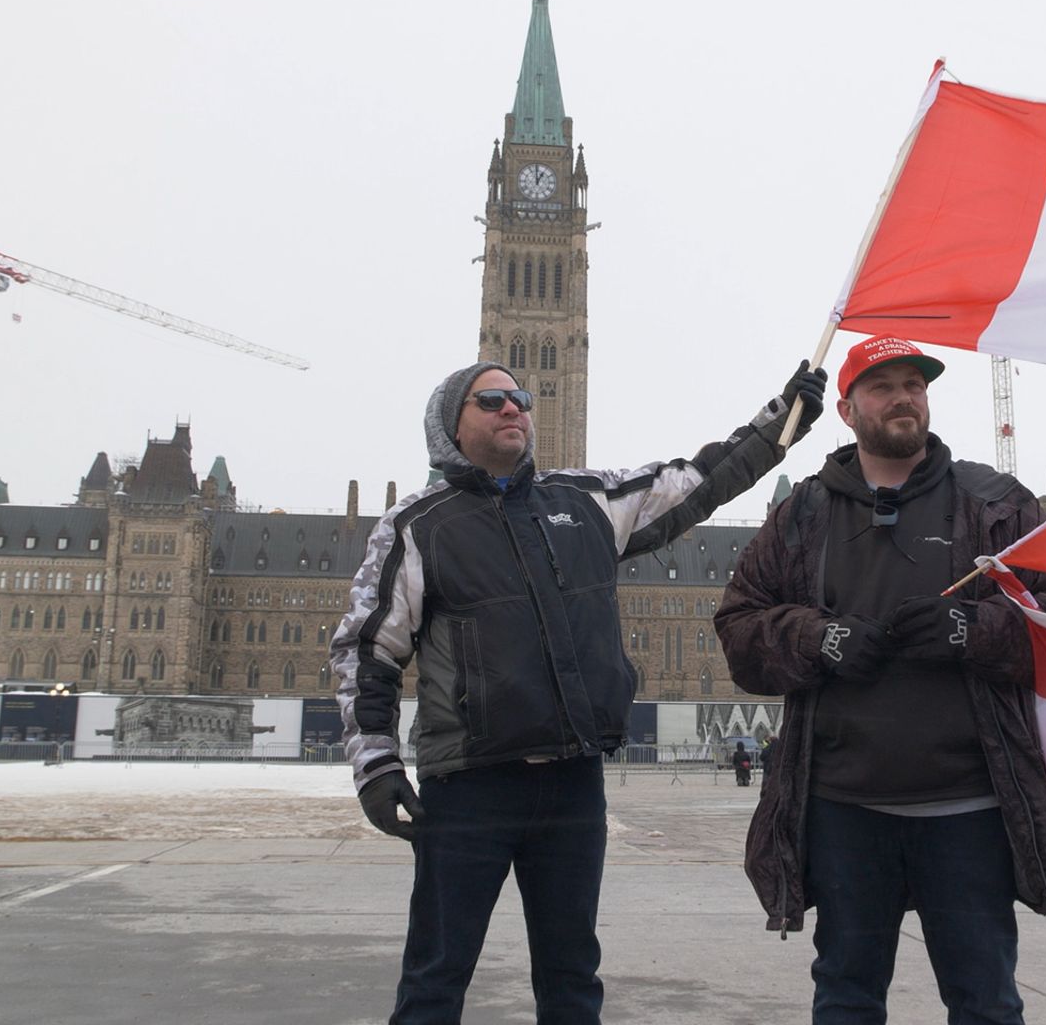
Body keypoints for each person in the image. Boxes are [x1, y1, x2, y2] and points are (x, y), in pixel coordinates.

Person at [331, 357, 827, 1025]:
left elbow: (696, 480)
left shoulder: (584, 500)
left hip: (573, 783)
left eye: (520, 397)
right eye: (491, 401)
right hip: (471, 786)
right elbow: (368, 648)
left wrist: (779, 426)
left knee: (572, 980)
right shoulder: (420, 525)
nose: (513, 408)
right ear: (450, 425)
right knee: (436, 977)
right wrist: (376, 762)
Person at [715, 334, 1046, 1025]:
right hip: (843, 811)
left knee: (985, 1001)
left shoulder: (997, 504)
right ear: (847, 409)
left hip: (968, 810)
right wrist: (821, 638)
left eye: (914, 386)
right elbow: (740, 630)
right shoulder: (802, 513)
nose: (903, 398)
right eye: (883, 386)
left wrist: (968, 632)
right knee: (846, 999)